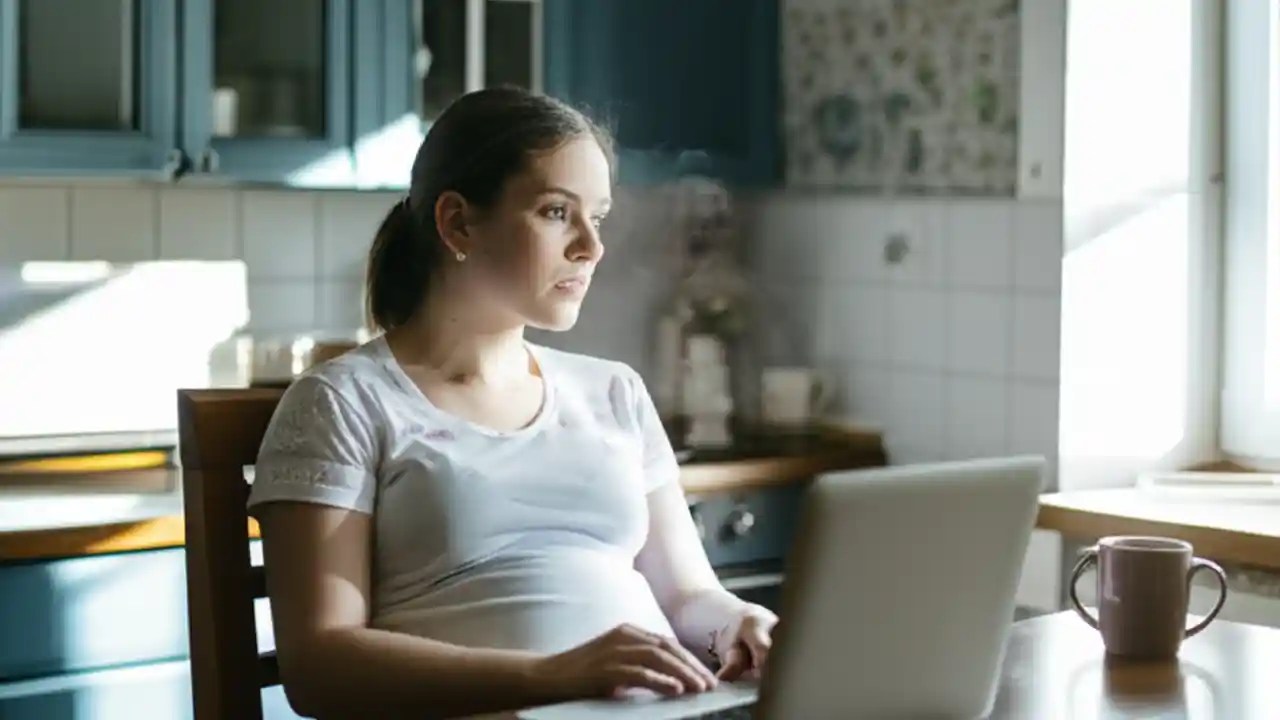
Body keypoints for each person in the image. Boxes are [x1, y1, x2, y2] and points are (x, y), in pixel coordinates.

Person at [248, 87, 778, 720]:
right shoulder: (343, 404)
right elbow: (319, 669)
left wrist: (739, 624)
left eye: (598, 217)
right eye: (558, 212)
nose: (591, 246)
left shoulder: (615, 392)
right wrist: (552, 676)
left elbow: (689, 595)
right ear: (458, 223)